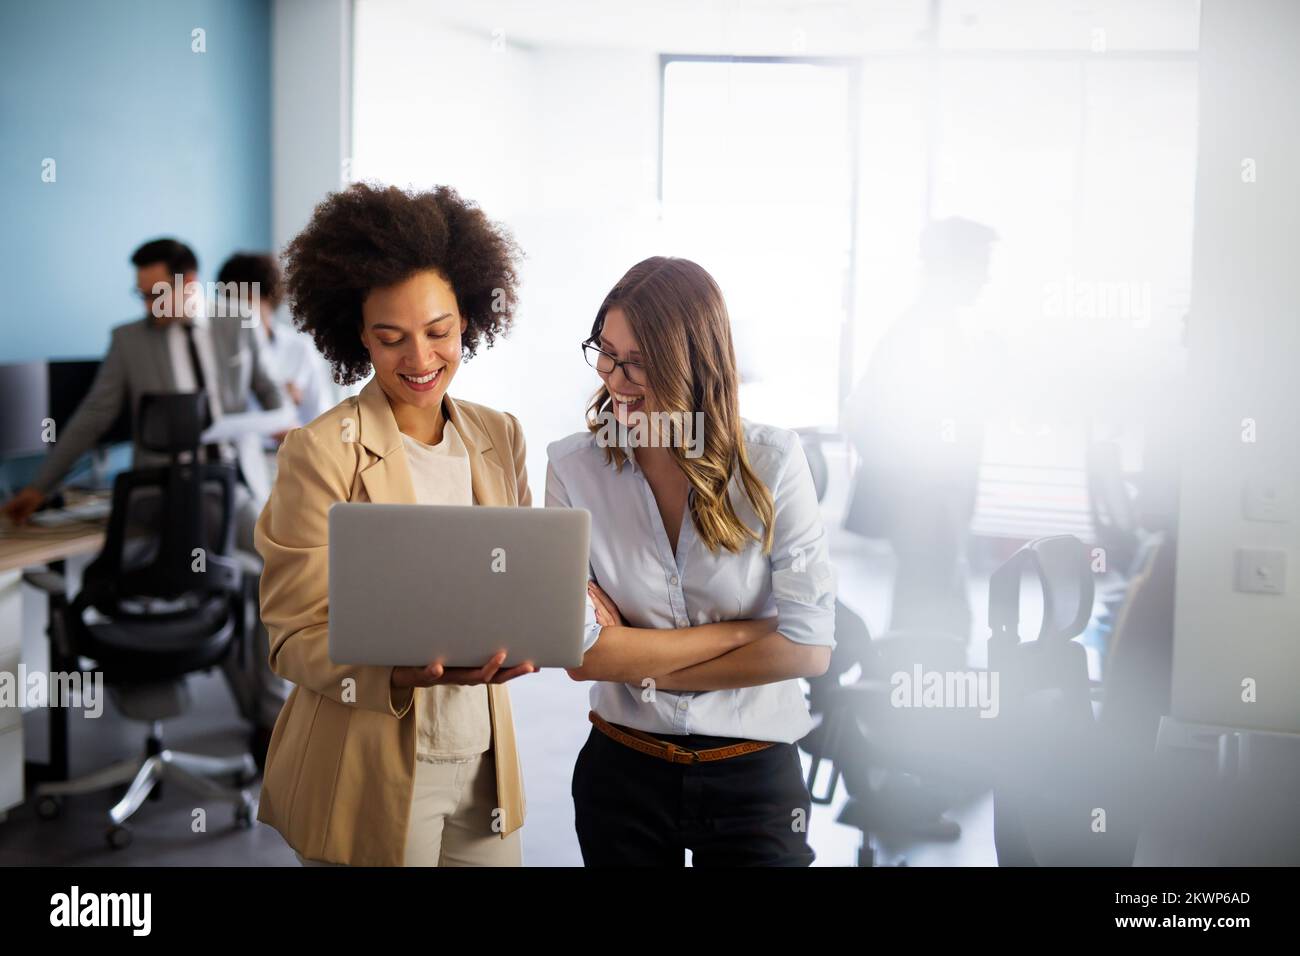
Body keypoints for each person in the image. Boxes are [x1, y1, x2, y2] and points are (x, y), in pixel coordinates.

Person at [255, 182, 537, 867]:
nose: (419, 360)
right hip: (366, 762)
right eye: (391, 338)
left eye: (439, 332)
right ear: (358, 335)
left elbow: (519, 581)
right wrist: (398, 672)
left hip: (483, 761)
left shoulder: (500, 438)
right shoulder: (321, 451)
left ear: (468, 318)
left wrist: (530, 632)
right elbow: (292, 635)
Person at [545, 256, 836, 867]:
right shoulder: (574, 469)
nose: (614, 380)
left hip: (753, 777)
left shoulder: (775, 462)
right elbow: (581, 654)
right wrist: (744, 634)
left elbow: (807, 649)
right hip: (621, 775)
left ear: (693, 365)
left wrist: (641, 660)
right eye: (605, 352)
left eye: (639, 361)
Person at [0, 237, 294, 756]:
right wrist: (38, 486)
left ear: (188, 283)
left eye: (156, 293)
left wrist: (260, 426)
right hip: (161, 496)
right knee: (204, 580)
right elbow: (93, 417)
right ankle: (256, 712)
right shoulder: (129, 341)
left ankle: (270, 715)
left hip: (230, 484)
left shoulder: (239, 323)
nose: (146, 306)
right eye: (140, 295)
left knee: (281, 576)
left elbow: (278, 404)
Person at [215, 252, 335, 447]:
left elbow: (325, 419)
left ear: (267, 297)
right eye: (227, 301)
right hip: (235, 459)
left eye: (242, 299)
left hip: (291, 457)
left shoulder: (300, 349)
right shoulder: (217, 351)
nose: (235, 311)